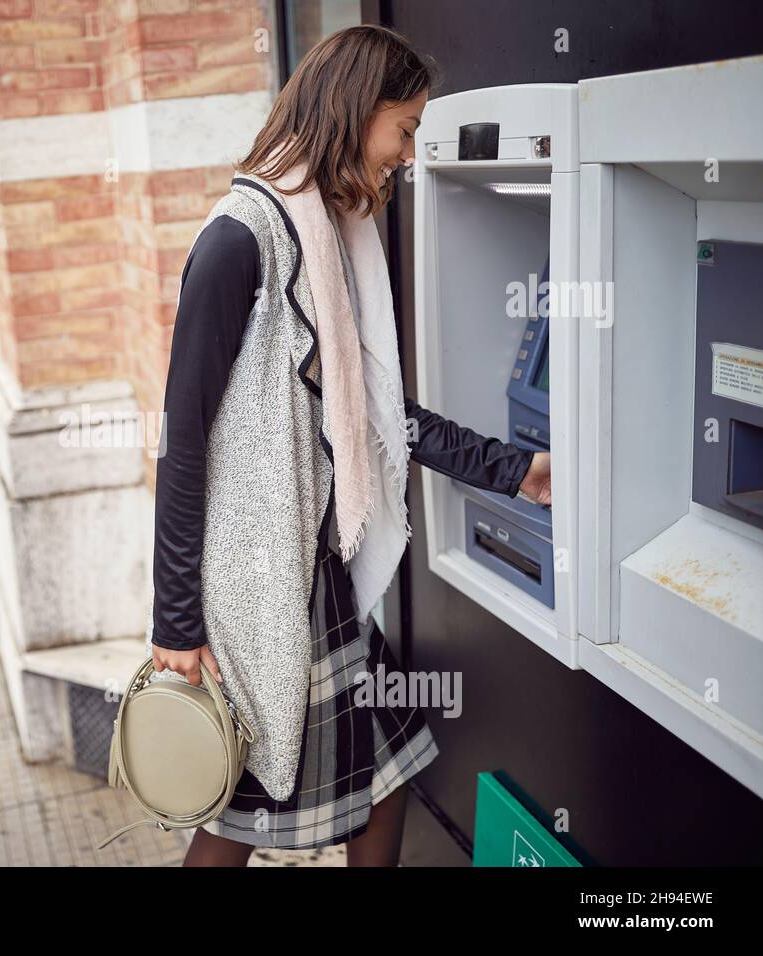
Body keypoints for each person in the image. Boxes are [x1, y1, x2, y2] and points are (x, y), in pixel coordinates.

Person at [147, 25, 551, 867]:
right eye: (403, 129)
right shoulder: (237, 243)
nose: (407, 153)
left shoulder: (326, 238)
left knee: (387, 772)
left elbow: (372, 416)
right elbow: (181, 446)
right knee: (236, 815)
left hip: (315, 572)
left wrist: (514, 469)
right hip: (260, 589)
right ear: (356, 110)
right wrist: (176, 626)